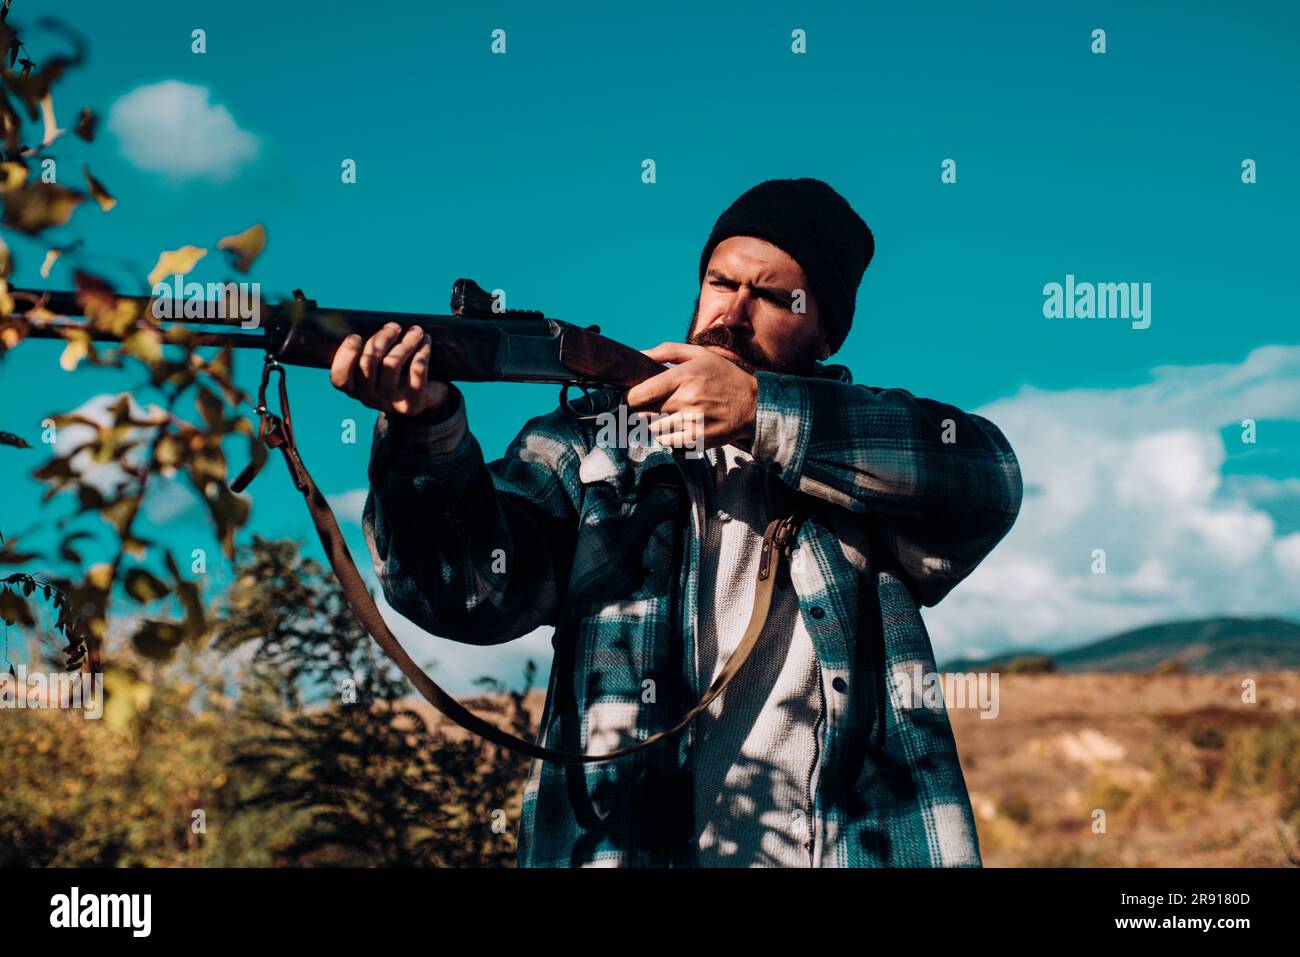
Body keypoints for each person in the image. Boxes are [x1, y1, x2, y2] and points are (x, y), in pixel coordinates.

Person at [330, 178, 1023, 867]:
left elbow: (989, 480)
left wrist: (762, 413)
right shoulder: (590, 439)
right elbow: (466, 592)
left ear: (825, 329)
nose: (734, 313)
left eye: (775, 297)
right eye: (721, 283)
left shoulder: (862, 453)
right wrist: (424, 430)